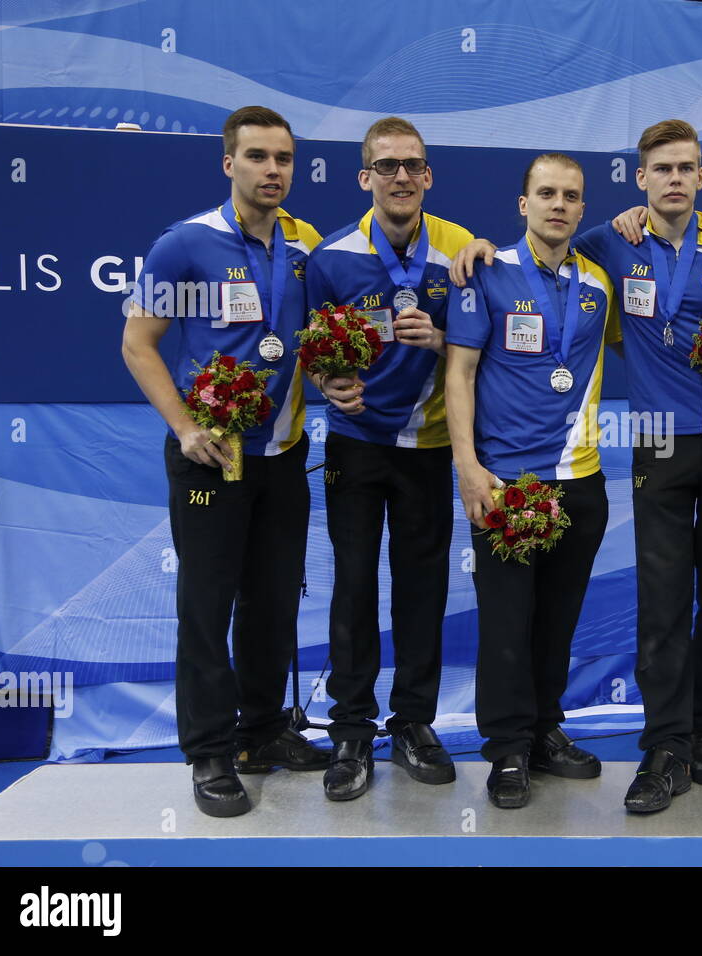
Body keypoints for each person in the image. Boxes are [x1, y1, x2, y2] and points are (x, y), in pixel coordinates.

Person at [453, 122, 702, 812]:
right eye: (662, 168)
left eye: (687, 167)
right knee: (659, 604)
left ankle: (700, 732)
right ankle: (660, 743)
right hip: (657, 443)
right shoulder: (608, 246)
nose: (675, 178)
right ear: (641, 179)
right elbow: (511, 274)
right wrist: (473, 247)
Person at [121, 106, 328, 817]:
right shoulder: (185, 245)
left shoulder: (305, 249)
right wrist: (183, 427)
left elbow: (312, 343)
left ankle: (262, 731)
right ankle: (209, 751)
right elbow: (138, 343)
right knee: (206, 609)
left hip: (281, 457)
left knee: (273, 603)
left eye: (283, 159)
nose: (273, 171)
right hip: (211, 458)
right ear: (228, 164)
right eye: (259, 157)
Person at [303, 118, 473, 801]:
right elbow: (314, 350)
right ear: (364, 177)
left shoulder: (462, 248)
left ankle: (412, 724)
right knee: (352, 588)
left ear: (428, 176)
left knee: (422, 591)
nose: (401, 176)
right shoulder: (332, 258)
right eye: (387, 166)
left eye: (413, 165)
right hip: (358, 445)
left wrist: (439, 338)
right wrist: (326, 381)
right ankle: (350, 728)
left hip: (429, 448)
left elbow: (481, 348)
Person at [444, 153, 620, 809]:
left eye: (571, 196)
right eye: (546, 193)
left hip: (581, 481)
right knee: (507, 626)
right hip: (509, 483)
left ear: (582, 207)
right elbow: (458, 373)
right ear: (523, 203)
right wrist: (468, 466)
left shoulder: (599, 282)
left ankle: (546, 733)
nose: (558, 205)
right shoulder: (485, 273)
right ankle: (508, 752)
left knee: (556, 624)